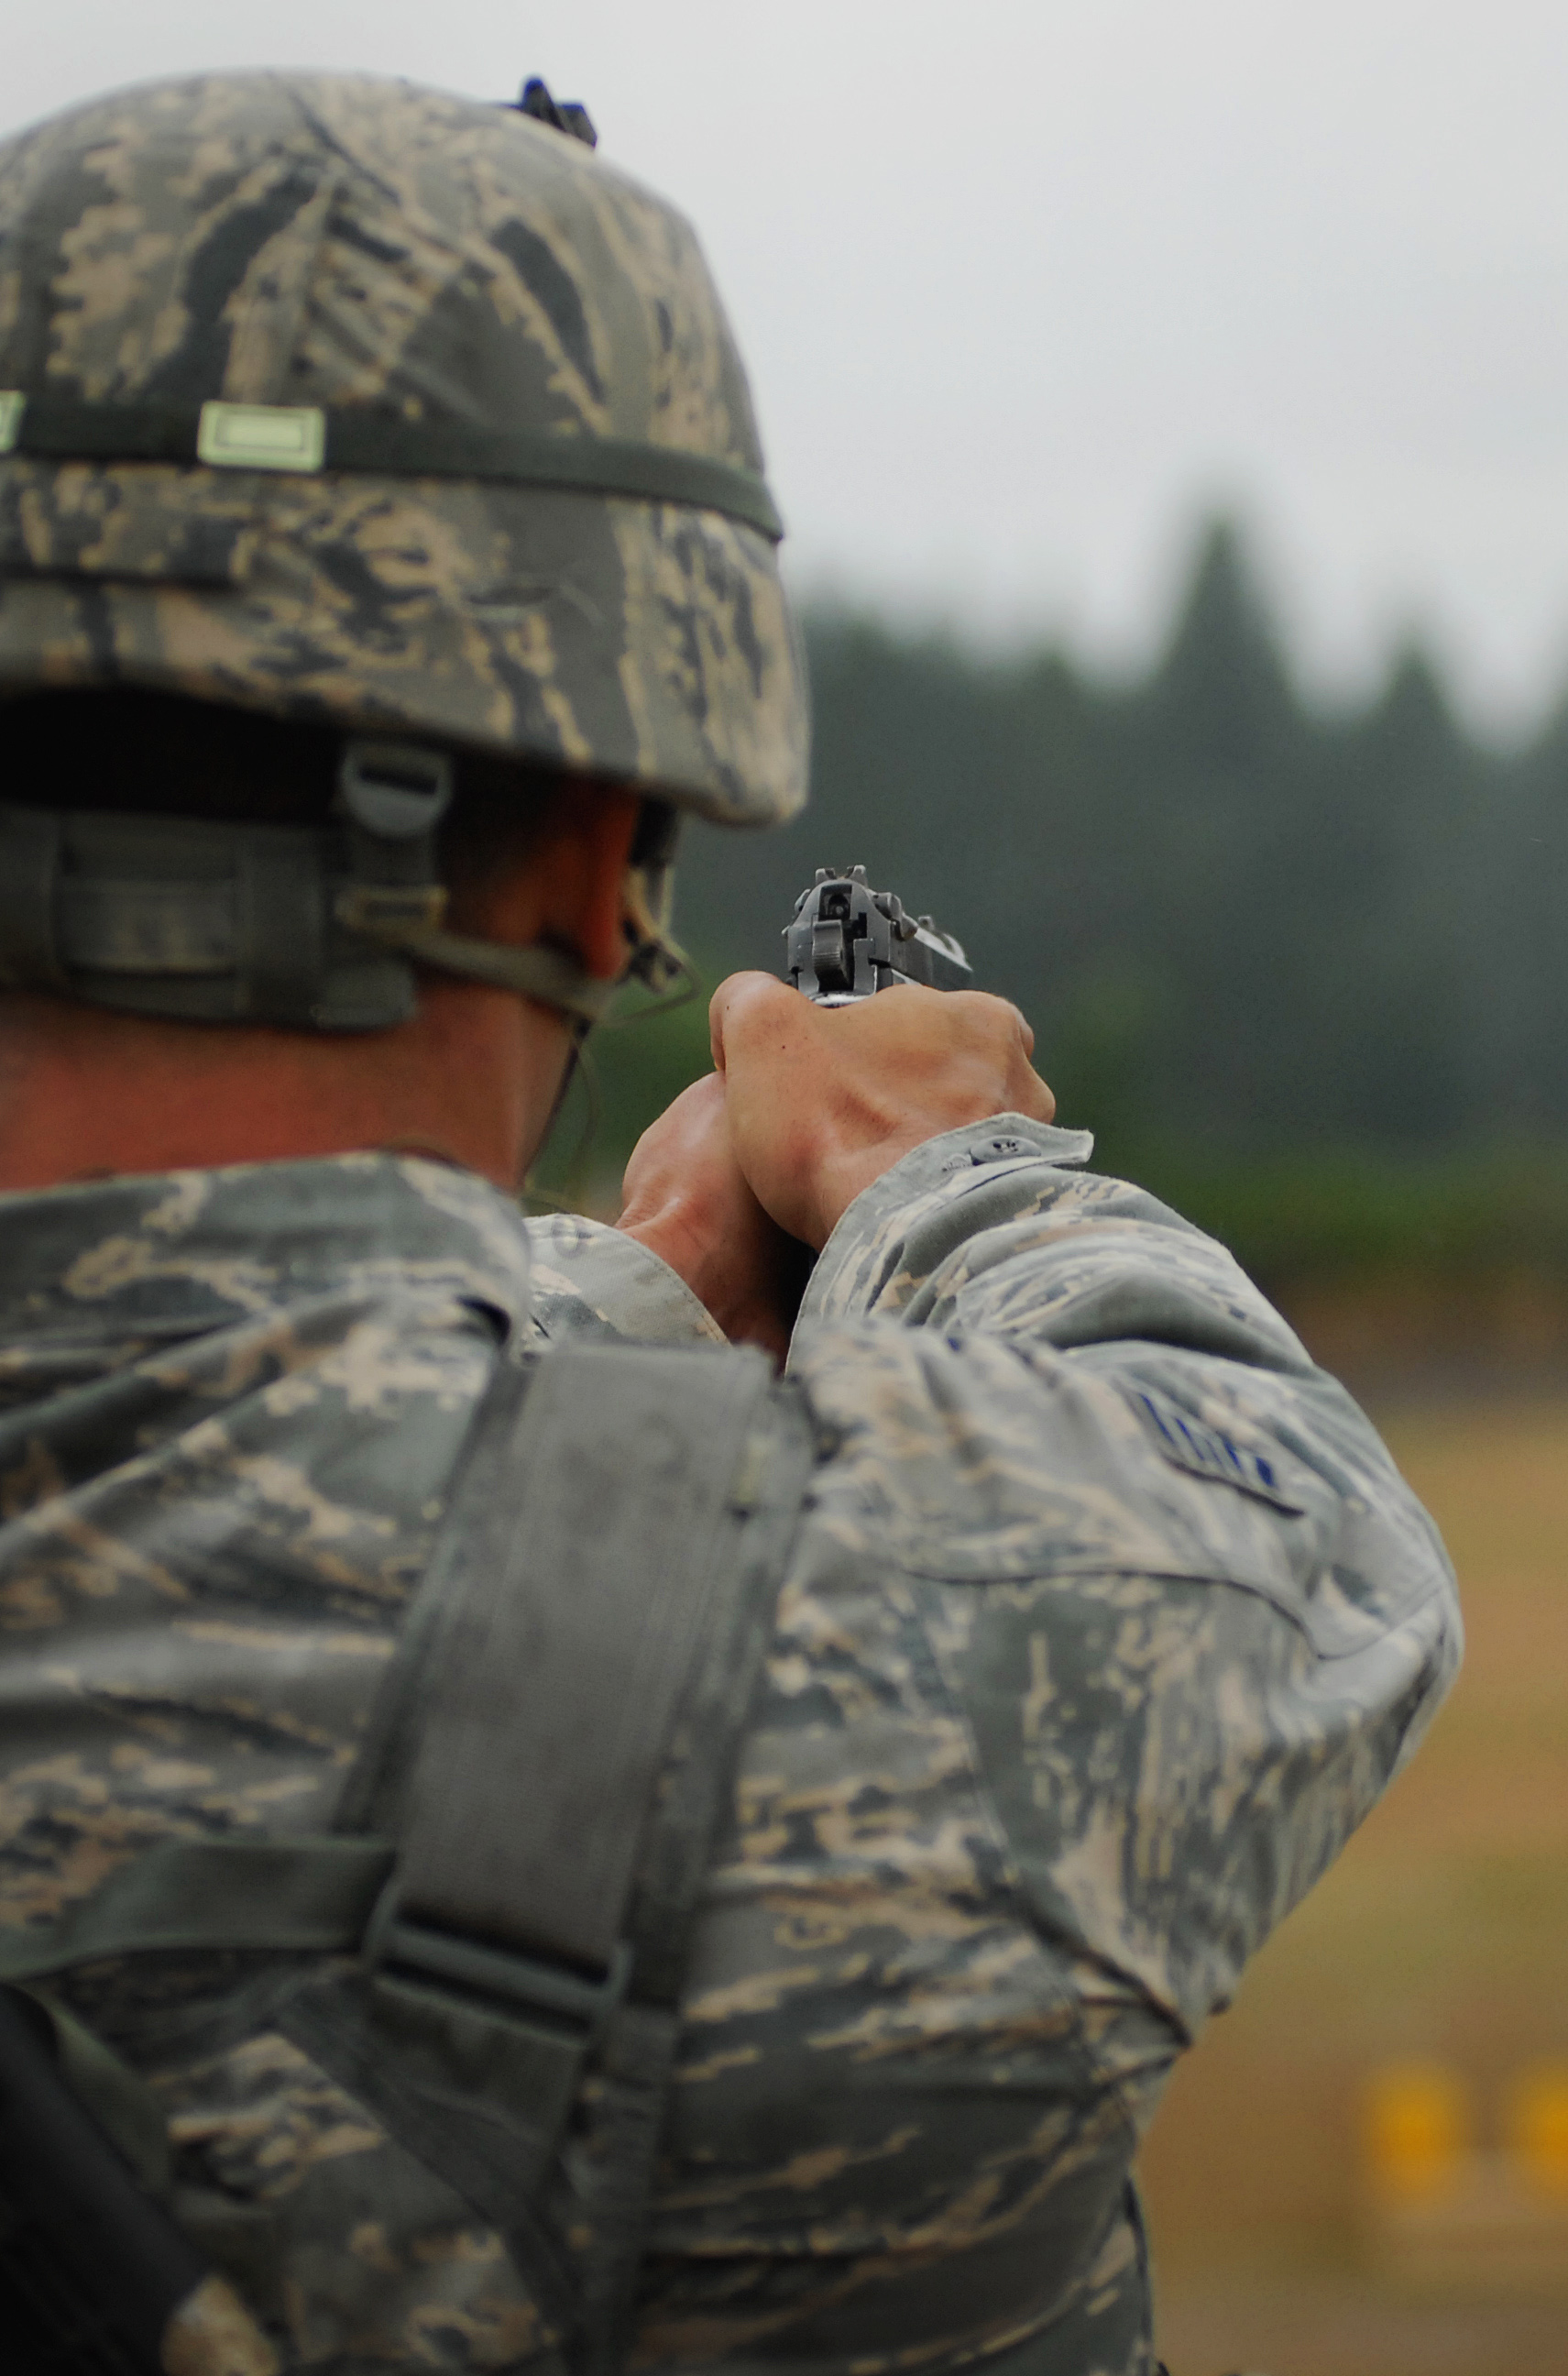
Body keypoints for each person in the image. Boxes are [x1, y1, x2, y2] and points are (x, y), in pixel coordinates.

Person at [0, 67, 1461, 2376]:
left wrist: (607, 1311)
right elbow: (1285, 1545)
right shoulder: (815, 1723)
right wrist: (926, 1182)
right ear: (599, 867)